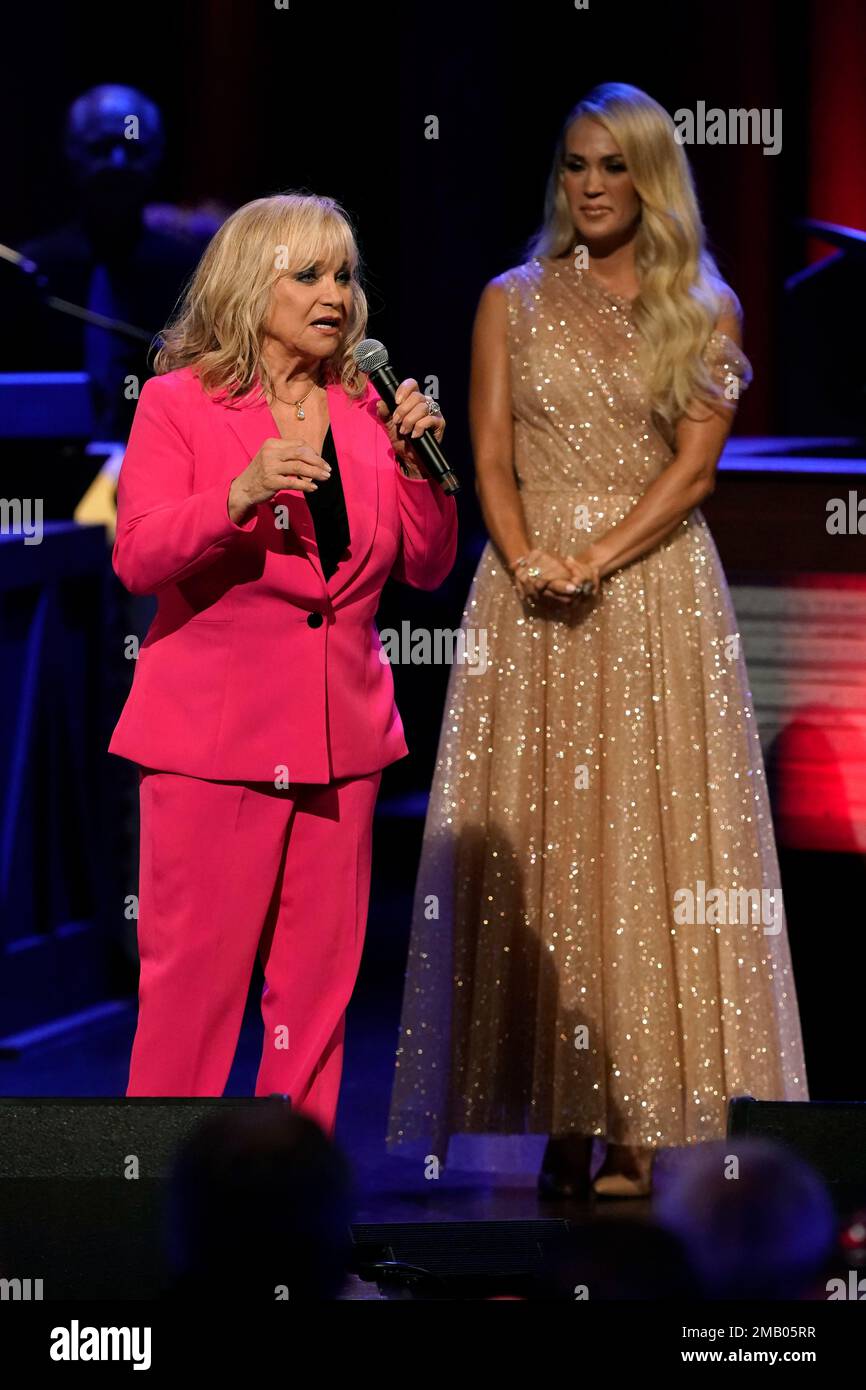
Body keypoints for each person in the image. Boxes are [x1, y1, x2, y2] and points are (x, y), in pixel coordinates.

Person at [386, 83, 808, 1197]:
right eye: (573, 166)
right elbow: (485, 453)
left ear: (650, 177)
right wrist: (527, 555)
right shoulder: (507, 300)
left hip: (652, 594)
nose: (587, 186)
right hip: (525, 598)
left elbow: (694, 471)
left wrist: (593, 557)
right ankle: (550, 1112)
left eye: (610, 167)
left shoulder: (701, 305)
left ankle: (635, 1121)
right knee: (540, 844)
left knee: (643, 849)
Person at [109, 193, 457, 1133]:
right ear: (246, 283)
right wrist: (236, 495)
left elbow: (426, 565)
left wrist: (421, 462)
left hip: (342, 744)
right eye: (307, 274)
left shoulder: (368, 407)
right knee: (194, 994)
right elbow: (136, 555)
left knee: (316, 999)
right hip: (211, 742)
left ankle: (287, 1204)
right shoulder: (182, 405)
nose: (333, 294)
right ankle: (153, 1203)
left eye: (344, 275)